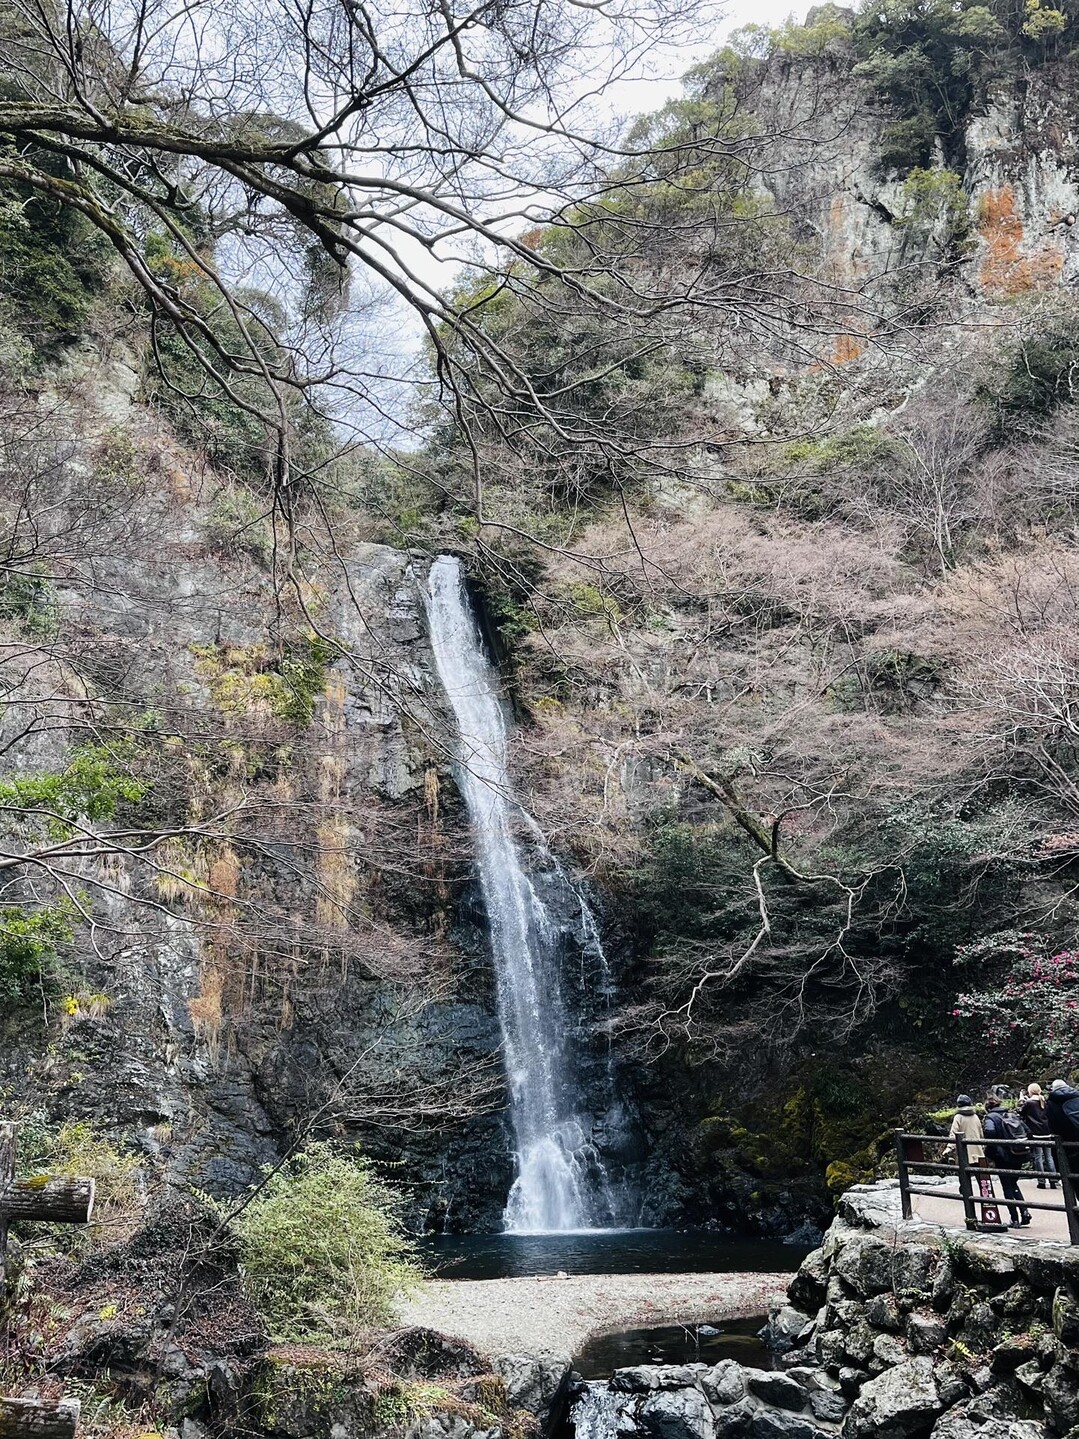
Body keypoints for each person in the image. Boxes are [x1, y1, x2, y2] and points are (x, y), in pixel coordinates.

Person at [983, 1096, 1031, 1227]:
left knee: (1007, 1186)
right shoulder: (1011, 1114)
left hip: (1002, 1156)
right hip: (1018, 1153)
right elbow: (1027, 1131)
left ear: (988, 1107)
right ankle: (1024, 1211)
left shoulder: (991, 1118)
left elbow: (990, 1132)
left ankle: (1014, 1219)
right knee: (1014, 1183)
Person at [1021, 1082, 1060, 1189]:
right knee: (1049, 1156)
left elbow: (1021, 1114)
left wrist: (1021, 1101)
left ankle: (1041, 1181)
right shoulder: (1044, 1101)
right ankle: (1053, 1180)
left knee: (1038, 1157)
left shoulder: (1029, 1103)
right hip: (1046, 1132)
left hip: (1035, 1133)